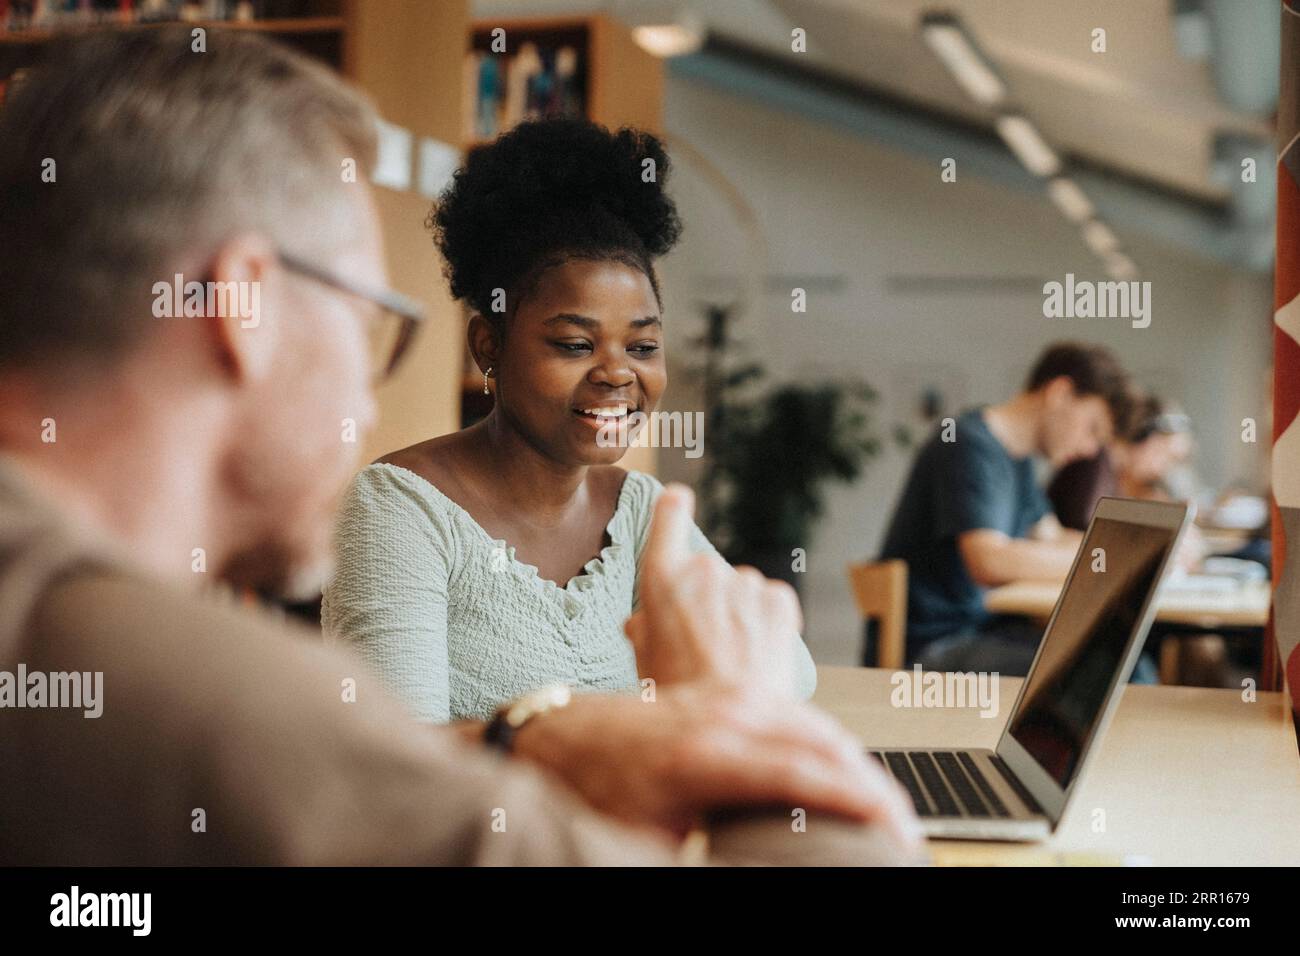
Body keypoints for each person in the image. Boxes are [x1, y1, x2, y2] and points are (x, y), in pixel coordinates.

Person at [0, 27, 921, 865]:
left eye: (642, 342)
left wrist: (528, 734)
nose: (368, 397)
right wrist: (734, 714)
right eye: (369, 324)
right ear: (243, 305)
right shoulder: (216, 705)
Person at [321, 118, 816, 723]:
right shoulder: (401, 508)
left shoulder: (638, 512)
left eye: (641, 347)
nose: (617, 374)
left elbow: (790, 671)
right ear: (488, 346)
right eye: (575, 345)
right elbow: (400, 763)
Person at [878, 342, 1133, 676]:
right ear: (1060, 393)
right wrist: (1111, 563)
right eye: (1092, 428)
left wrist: (1124, 551)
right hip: (933, 646)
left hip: (982, 632)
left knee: (1116, 657)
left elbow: (1054, 538)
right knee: (1099, 672)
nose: (1089, 450)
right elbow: (990, 561)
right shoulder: (966, 444)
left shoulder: (1018, 460)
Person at [1048, 394, 1193, 530]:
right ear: (1141, 436)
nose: (1163, 468)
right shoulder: (1094, 462)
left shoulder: (1116, 472)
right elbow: (1091, 535)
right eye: (1165, 454)